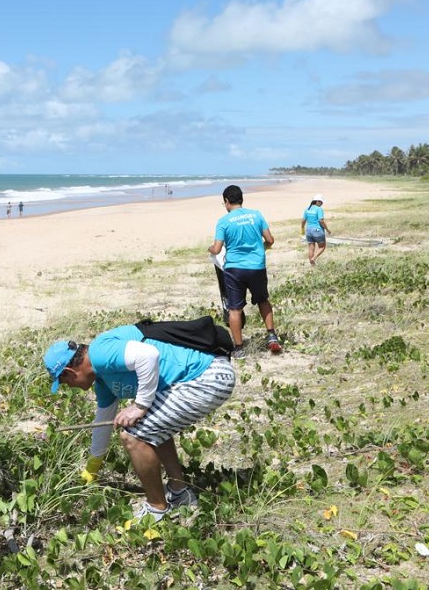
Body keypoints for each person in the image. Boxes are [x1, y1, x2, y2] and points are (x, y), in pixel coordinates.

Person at [44, 327, 235, 523]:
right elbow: (102, 423)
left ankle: (157, 510)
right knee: (150, 425)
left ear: (69, 372)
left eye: (64, 382)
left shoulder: (100, 353)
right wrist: (92, 467)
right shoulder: (102, 380)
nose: (68, 387)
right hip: (203, 378)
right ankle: (180, 492)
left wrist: (140, 405)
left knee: (133, 435)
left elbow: (148, 355)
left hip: (208, 377)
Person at [207, 185, 282, 356]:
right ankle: (271, 336)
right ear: (241, 199)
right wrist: (260, 248)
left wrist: (210, 249)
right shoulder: (256, 215)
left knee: (235, 309)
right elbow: (270, 240)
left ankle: (239, 348)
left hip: (234, 269)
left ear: (226, 201)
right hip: (257, 266)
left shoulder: (224, 222)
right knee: (263, 300)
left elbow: (217, 249)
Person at [301, 194, 330, 265]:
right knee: (322, 247)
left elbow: (303, 221)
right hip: (317, 230)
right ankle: (314, 258)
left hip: (308, 230)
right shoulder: (319, 209)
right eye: (321, 202)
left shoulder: (307, 208)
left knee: (311, 248)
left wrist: (302, 228)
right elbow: (321, 221)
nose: (322, 204)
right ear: (317, 201)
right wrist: (327, 229)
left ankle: (312, 265)